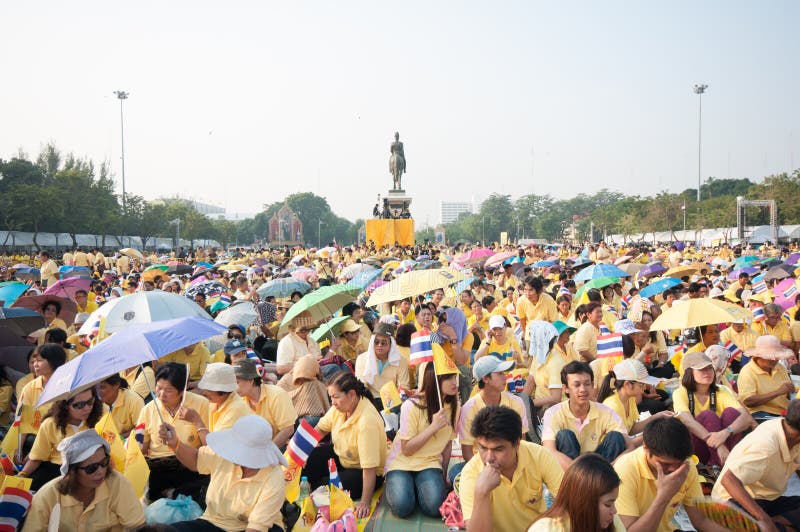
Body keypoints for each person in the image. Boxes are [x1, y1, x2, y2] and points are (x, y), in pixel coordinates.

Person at [160, 415, 288, 532]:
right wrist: (175, 443)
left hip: (253, 528)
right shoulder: (224, 452)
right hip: (213, 521)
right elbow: (196, 460)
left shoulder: (273, 476)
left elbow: (256, 528)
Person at [459, 406, 563, 532]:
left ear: (517, 444)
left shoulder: (540, 456)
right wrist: (482, 493)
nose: (489, 458)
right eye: (483, 448)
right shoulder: (471, 473)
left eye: (498, 449)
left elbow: (569, 503)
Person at [614, 417, 727, 532]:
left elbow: (701, 520)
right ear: (645, 448)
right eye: (665, 464)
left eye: (678, 463)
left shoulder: (686, 466)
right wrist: (663, 497)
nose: (673, 469)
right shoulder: (625, 470)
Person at [22, 430, 145, 532]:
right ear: (72, 472)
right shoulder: (48, 496)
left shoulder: (118, 484)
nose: (100, 471)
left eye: (104, 463)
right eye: (91, 468)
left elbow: (138, 527)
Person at [304, 371, 386, 518]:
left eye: (336, 397)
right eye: (330, 397)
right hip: (342, 456)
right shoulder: (338, 409)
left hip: (363, 472)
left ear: (352, 394)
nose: (332, 402)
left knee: (323, 488)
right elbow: (320, 430)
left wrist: (365, 502)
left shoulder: (367, 421)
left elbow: (369, 468)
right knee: (307, 462)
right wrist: (302, 451)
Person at [384, 362, 459, 518]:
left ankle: (417, 486)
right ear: (434, 380)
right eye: (448, 378)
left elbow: (447, 444)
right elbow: (406, 449)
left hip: (429, 462)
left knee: (435, 507)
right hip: (401, 463)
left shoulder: (455, 406)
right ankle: (408, 485)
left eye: (455, 376)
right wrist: (433, 427)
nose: (455, 382)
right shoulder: (411, 406)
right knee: (402, 507)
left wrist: (443, 474)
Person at [712, 399, 800, 532]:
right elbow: (728, 480)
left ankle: (774, 523)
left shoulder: (791, 435)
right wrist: (764, 519)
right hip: (734, 500)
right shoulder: (766, 445)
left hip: (767, 500)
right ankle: (771, 524)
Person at [135, 362, 210, 502]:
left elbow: (210, 446)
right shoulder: (148, 409)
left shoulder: (201, 404)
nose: (161, 395)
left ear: (182, 391)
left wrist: (196, 420)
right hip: (159, 470)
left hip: (191, 468)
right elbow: (140, 446)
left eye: (168, 390)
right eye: (158, 388)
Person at [541, 361, 631, 469]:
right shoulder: (553, 413)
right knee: (565, 436)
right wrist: (581, 474)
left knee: (616, 437)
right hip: (569, 472)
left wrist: (609, 468)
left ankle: (601, 478)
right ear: (565, 388)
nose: (583, 389)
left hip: (600, 469)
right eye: (577, 385)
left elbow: (630, 447)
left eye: (587, 384)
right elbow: (549, 450)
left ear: (592, 385)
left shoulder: (605, 411)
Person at [673, 352, 754, 466]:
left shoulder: (721, 391)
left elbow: (746, 417)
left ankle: (721, 464)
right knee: (708, 415)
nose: (707, 373)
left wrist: (726, 433)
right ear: (689, 372)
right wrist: (718, 444)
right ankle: (724, 465)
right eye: (702, 369)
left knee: (731, 413)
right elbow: (687, 421)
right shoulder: (681, 392)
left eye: (710, 368)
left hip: (725, 445)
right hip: (696, 448)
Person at [20, 387, 105, 490]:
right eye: (79, 405)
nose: (87, 408)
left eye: (90, 402)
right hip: (57, 469)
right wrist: (22, 475)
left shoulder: (101, 421)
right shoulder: (50, 424)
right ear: (65, 406)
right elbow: (37, 458)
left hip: (90, 470)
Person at [457, 356, 528, 464]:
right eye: (500, 373)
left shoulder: (516, 402)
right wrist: (486, 469)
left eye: (504, 373)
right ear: (485, 378)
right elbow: (467, 453)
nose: (505, 377)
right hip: (480, 464)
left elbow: (521, 442)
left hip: (511, 462)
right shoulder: (469, 409)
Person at [529, 453, 625, 531]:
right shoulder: (547, 529)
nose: (614, 511)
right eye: (608, 504)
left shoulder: (611, 521)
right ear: (585, 501)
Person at [598, 359, 673, 445]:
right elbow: (622, 444)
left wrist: (658, 416)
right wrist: (652, 432)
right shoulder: (614, 407)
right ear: (627, 384)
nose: (644, 388)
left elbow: (631, 429)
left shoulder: (630, 398)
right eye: (641, 384)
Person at [180, 363, 251, 444]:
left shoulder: (236, 409)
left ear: (223, 391)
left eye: (209, 390)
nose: (204, 393)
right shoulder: (215, 402)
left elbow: (216, 446)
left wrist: (196, 421)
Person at [235, 359, 297, 448]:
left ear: (251, 381)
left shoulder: (277, 395)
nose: (233, 387)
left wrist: (267, 452)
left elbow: (288, 429)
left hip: (279, 447)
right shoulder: (239, 401)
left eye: (237, 382)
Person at [737, 335, 794, 419]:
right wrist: (778, 392)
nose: (774, 359)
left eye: (776, 356)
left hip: (783, 412)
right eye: (769, 357)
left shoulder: (780, 368)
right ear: (758, 356)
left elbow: (787, 394)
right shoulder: (747, 371)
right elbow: (748, 401)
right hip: (760, 414)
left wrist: (790, 389)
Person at [354, 323, 410, 399]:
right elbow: (361, 386)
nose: (379, 345)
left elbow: (404, 386)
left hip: (393, 399)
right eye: (376, 342)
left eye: (383, 343)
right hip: (371, 399)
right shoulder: (362, 358)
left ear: (391, 344)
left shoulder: (401, 360)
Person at [98, 373, 145, 438]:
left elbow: (142, 428)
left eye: (102, 387)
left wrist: (119, 438)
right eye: (96, 388)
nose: (98, 391)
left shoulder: (134, 400)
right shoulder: (94, 402)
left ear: (116, 385)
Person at [276, 311, 321, 375]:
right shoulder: (287, 341)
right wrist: (307, 363)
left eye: (309, 329)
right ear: (294, 329)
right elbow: (281, 369)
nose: (307, 332)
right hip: (300, 377)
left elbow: (320, 360)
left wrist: (332, 349)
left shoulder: (311, 341)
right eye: (303, 330)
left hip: (318, 373)